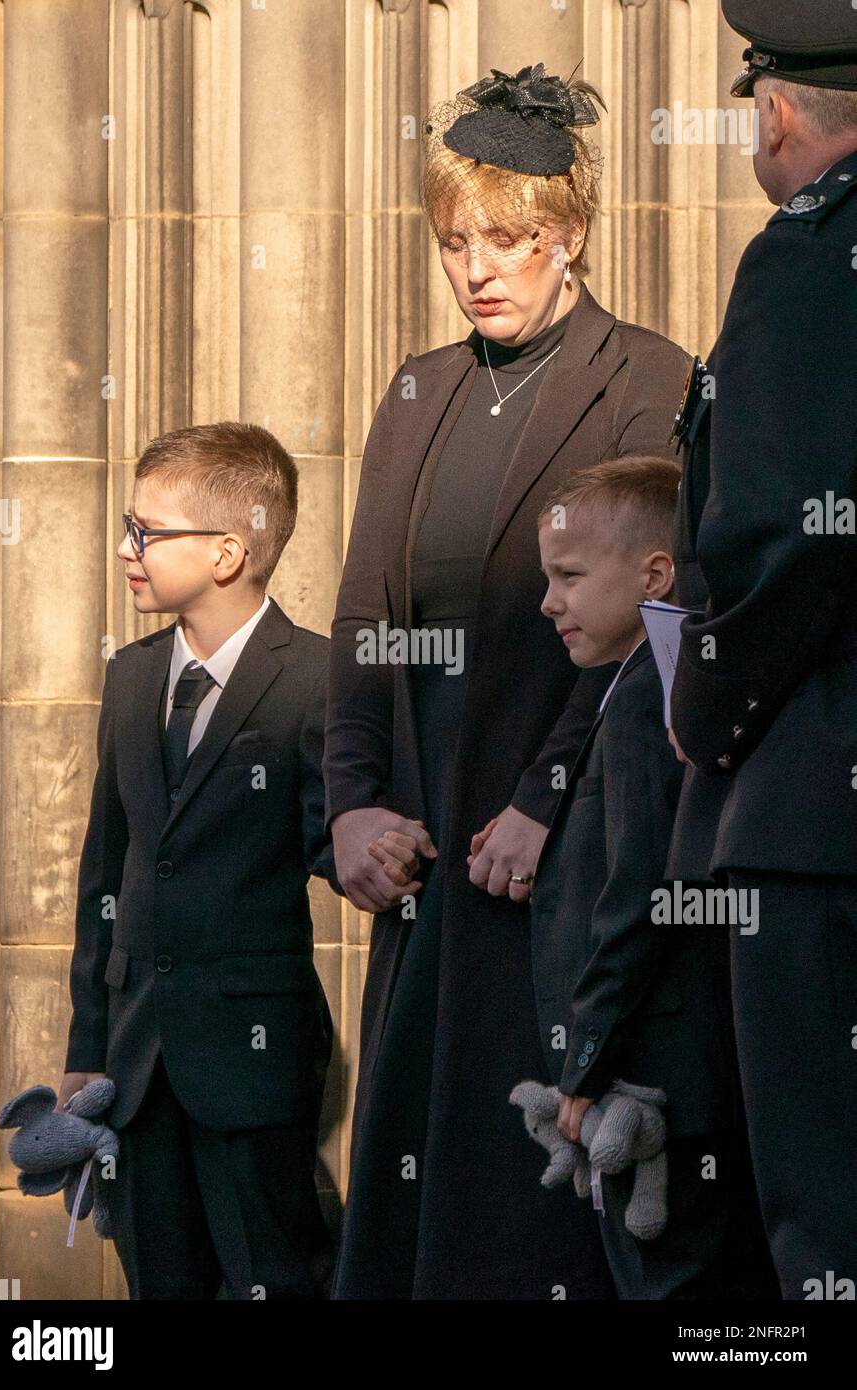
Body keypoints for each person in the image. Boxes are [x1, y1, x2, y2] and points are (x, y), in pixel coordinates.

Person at [324, 61, 690, 1299]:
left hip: (555, 853)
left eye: (510, 238)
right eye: (455, 242)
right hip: (428, 856)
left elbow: (654, 616)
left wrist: (546, 792)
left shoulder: (649, 374)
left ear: (570, 234)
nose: (478, 267)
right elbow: (365, 615)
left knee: (526, 1216)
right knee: (413, 1210)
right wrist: (353, 806)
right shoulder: (419, 390)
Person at [667, 0, 857, 1299]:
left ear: (775, 110)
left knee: (823, 1230)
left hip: (813, 829)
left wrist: (704, 705)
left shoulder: (802, 255)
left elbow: (780, 531)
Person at [60, 423, 337, 1299]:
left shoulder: (319, 679)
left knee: (273, 1278)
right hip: (137, 1065)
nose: (124, 548)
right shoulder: (134, 674)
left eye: (146, 532)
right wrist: (87, 1046)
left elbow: (335, 838)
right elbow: (105, 873)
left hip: (253, 1068)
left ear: (227, 551)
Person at [527, 458, 777, 1300]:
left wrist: (585, 1060)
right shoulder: (627, 686)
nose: (547, 602)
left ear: (655, 574)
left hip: (655, 1077)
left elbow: (638, 893)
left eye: (567, 576)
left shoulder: (649, 695)